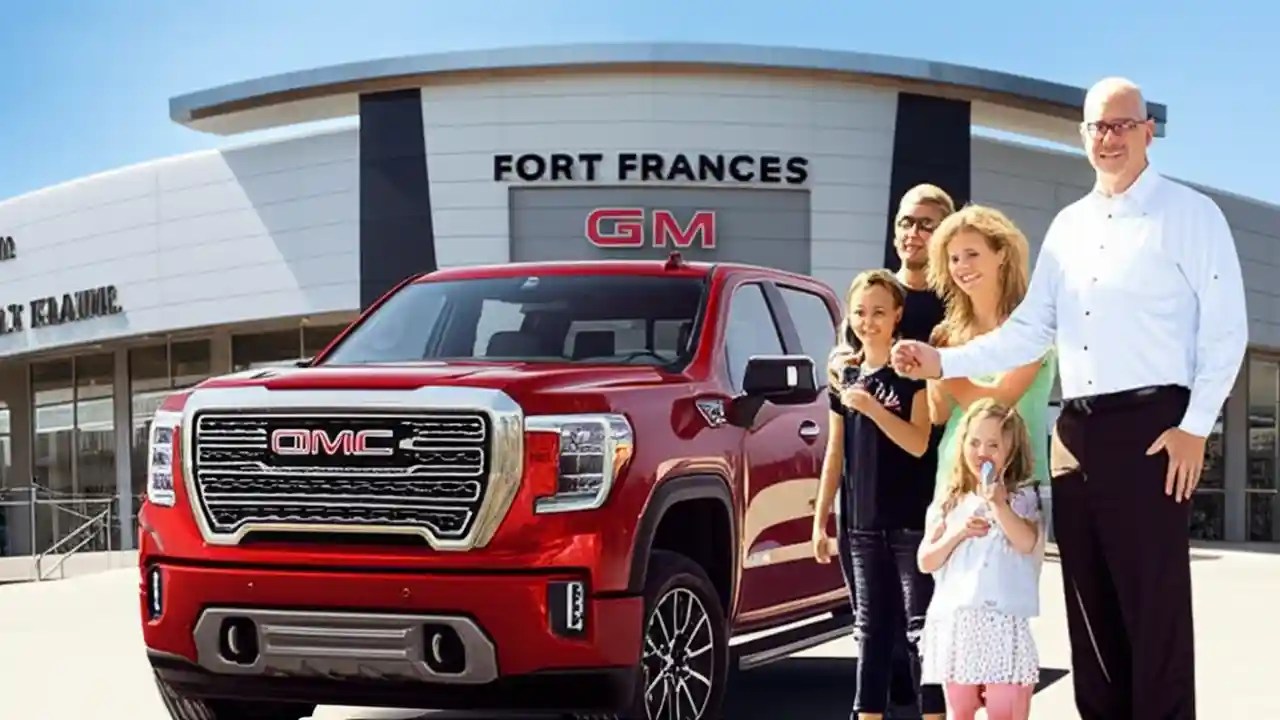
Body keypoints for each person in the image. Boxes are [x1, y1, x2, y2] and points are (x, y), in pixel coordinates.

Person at [889, 76, 1249, 719]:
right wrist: (943, 359)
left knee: (1153, 611)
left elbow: (1227, 328)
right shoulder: (1070, 226)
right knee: (1091, 615)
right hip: (1076, 434)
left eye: (1121, 125)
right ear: (1082, 135)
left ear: (1147, 131)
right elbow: (1028, 331)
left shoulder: (1191, 215)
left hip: (1154, 427)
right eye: (1096, 127)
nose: (1108, 138)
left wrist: (1197, 426)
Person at [826, 183, 954, 716]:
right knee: (875, 629)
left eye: (926, 224)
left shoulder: (954, 306)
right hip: (868, 494)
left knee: (927, 624)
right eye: (906, 221)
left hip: (936, 479)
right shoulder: (872, 299)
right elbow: (848, 362)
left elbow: (945, 405)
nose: (913, 233)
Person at [917, 399, 1045, 720]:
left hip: (1003, 622)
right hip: (957, 624)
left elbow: (1027, 542)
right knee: (960, 709)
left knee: (1005, 708)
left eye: (993, 444)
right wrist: (957, 533)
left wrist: (1000, 506)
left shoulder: (1022, 499)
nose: (982, 452)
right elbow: (926, 561)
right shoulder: (949, 501)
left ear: (1010, 451)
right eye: (974, 442)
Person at [923, 204, 1057, 505]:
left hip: (1018, 481)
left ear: (1002, 255)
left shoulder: (1032, 327)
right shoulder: (946, 334)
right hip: (953, 478)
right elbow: (939, 415)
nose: (962, 266)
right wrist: (938, 365)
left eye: (972, 254)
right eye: (954, 258)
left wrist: (940, 366)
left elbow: (997, 402)